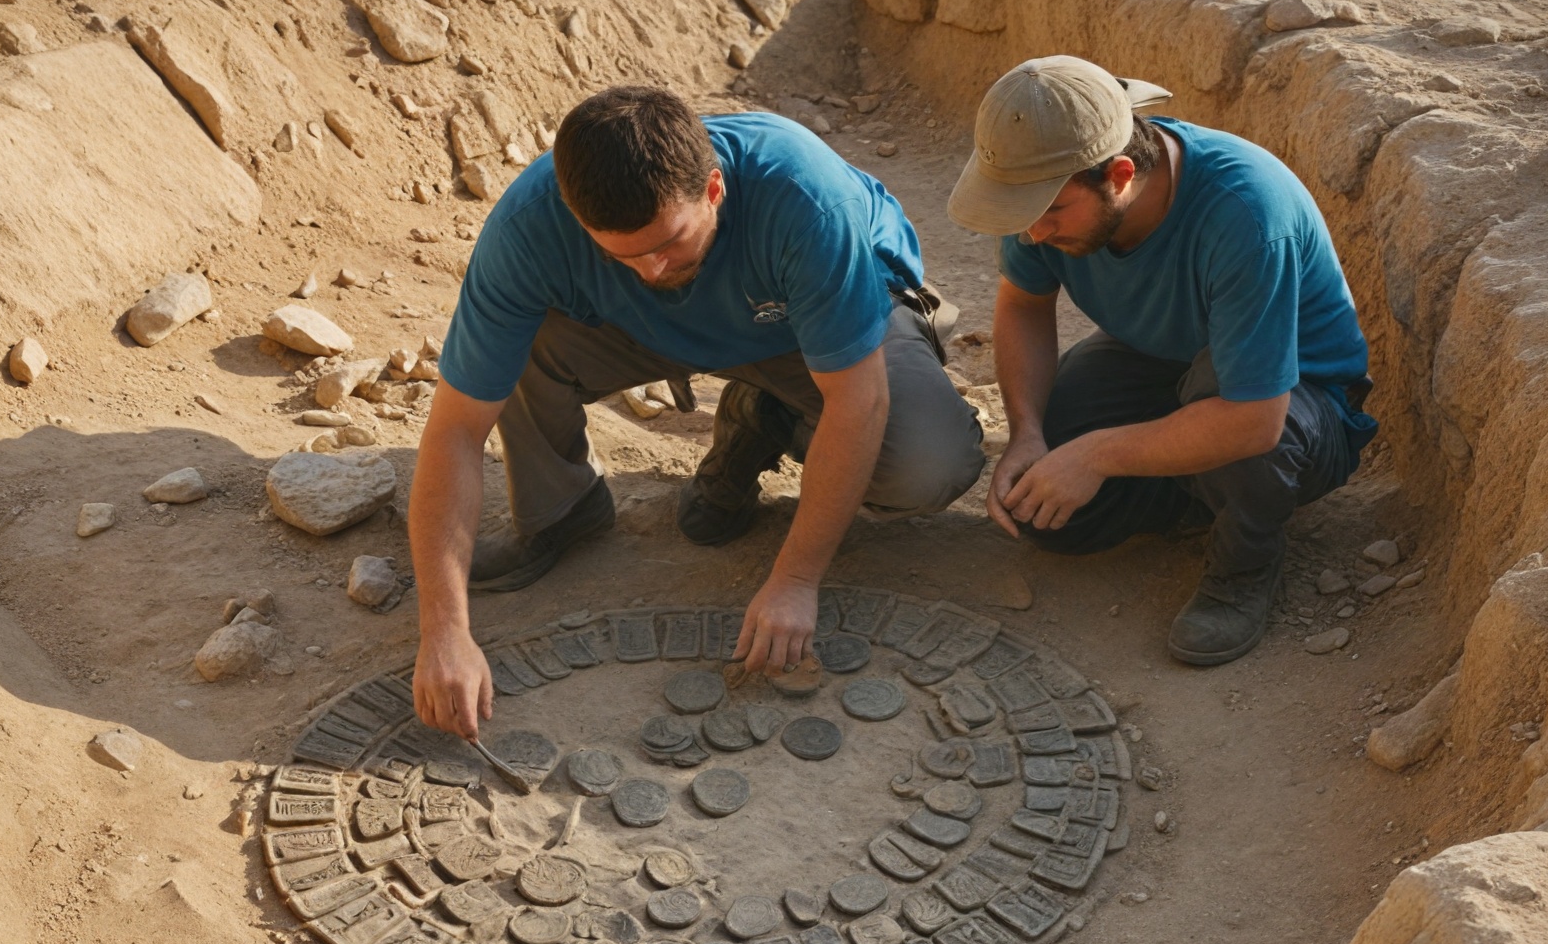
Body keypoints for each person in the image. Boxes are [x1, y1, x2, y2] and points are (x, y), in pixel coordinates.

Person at [409, 86, 986, 737]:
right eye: (623, 254)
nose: (652, 269)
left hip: (807, 331)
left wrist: (795, 579)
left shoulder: (803, 197)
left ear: (714, 190)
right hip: (644, 333)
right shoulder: (531, 227)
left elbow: (859, 399)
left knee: (928, 465)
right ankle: (562, 508)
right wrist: (444, 631)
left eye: (670, 243)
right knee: (502, 349)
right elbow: (457, 428)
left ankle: (764, 413)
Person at [948, 55, 1377, 665]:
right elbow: (1023, 307)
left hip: (1295, 404)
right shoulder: (1039, 195)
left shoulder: (1246, 212)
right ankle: (1194, 484)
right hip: (1162, 362)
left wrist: (1097, 455)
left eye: (1049, 215)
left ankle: (1243, 564)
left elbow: (1254, 419)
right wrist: (1029, 435)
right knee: (1053, 517)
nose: (1033, 235)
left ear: (1120, 174)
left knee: (1233, 426)